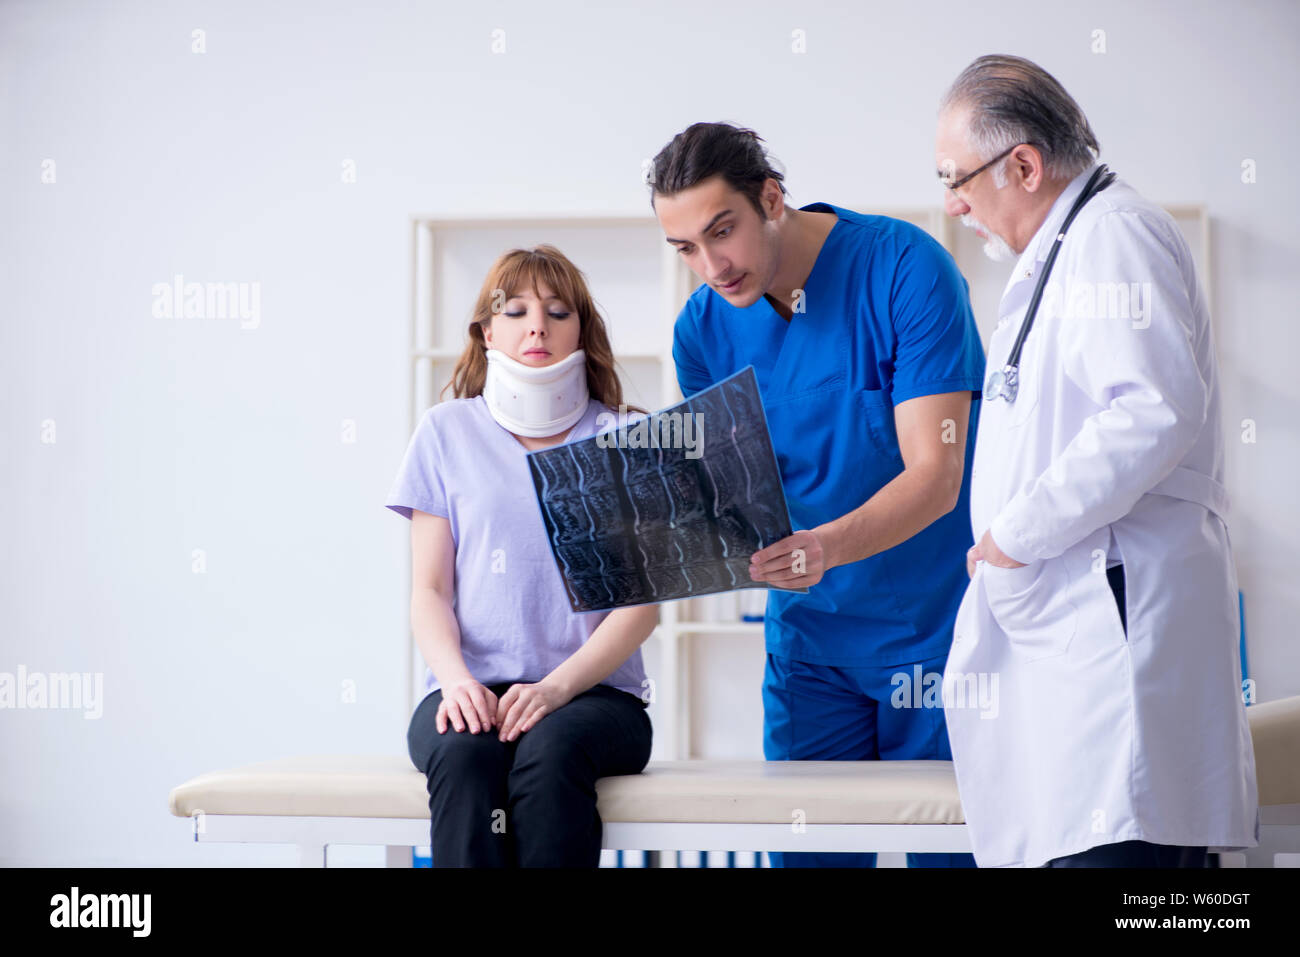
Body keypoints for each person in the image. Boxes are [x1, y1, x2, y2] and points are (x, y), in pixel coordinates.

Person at [934, 54, 1259, 868]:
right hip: (1079, 633)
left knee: (1136, 873)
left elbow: (1152, 409)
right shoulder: (1064, 250)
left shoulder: (1114, 233)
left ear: (1024, 165)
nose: (953, 202)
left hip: (1115, 614)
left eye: (957, 177)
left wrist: (1015, 531)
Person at [648, 121, 984, 868]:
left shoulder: (905, 270)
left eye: (721, 231)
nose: (710, 265)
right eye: (685, 249)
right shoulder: (702, 330)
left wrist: (824, 547)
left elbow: (937, 475)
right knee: (808, 859)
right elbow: (737, 491)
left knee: (949, 858)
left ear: (771, 198)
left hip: (936, 635)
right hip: (810, 645)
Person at [385, 244, 658, 867]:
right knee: (463, 756)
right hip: (468, 689)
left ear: (581, 331)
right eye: (516, 310)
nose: (537, 324)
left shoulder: (621, 438)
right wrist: (456, 683)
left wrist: (557, 688)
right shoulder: (445, 432)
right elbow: (430, 592)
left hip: (596, 699)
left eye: (558, 311)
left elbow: (641, 606)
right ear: (486, 332)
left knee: (551, 751)